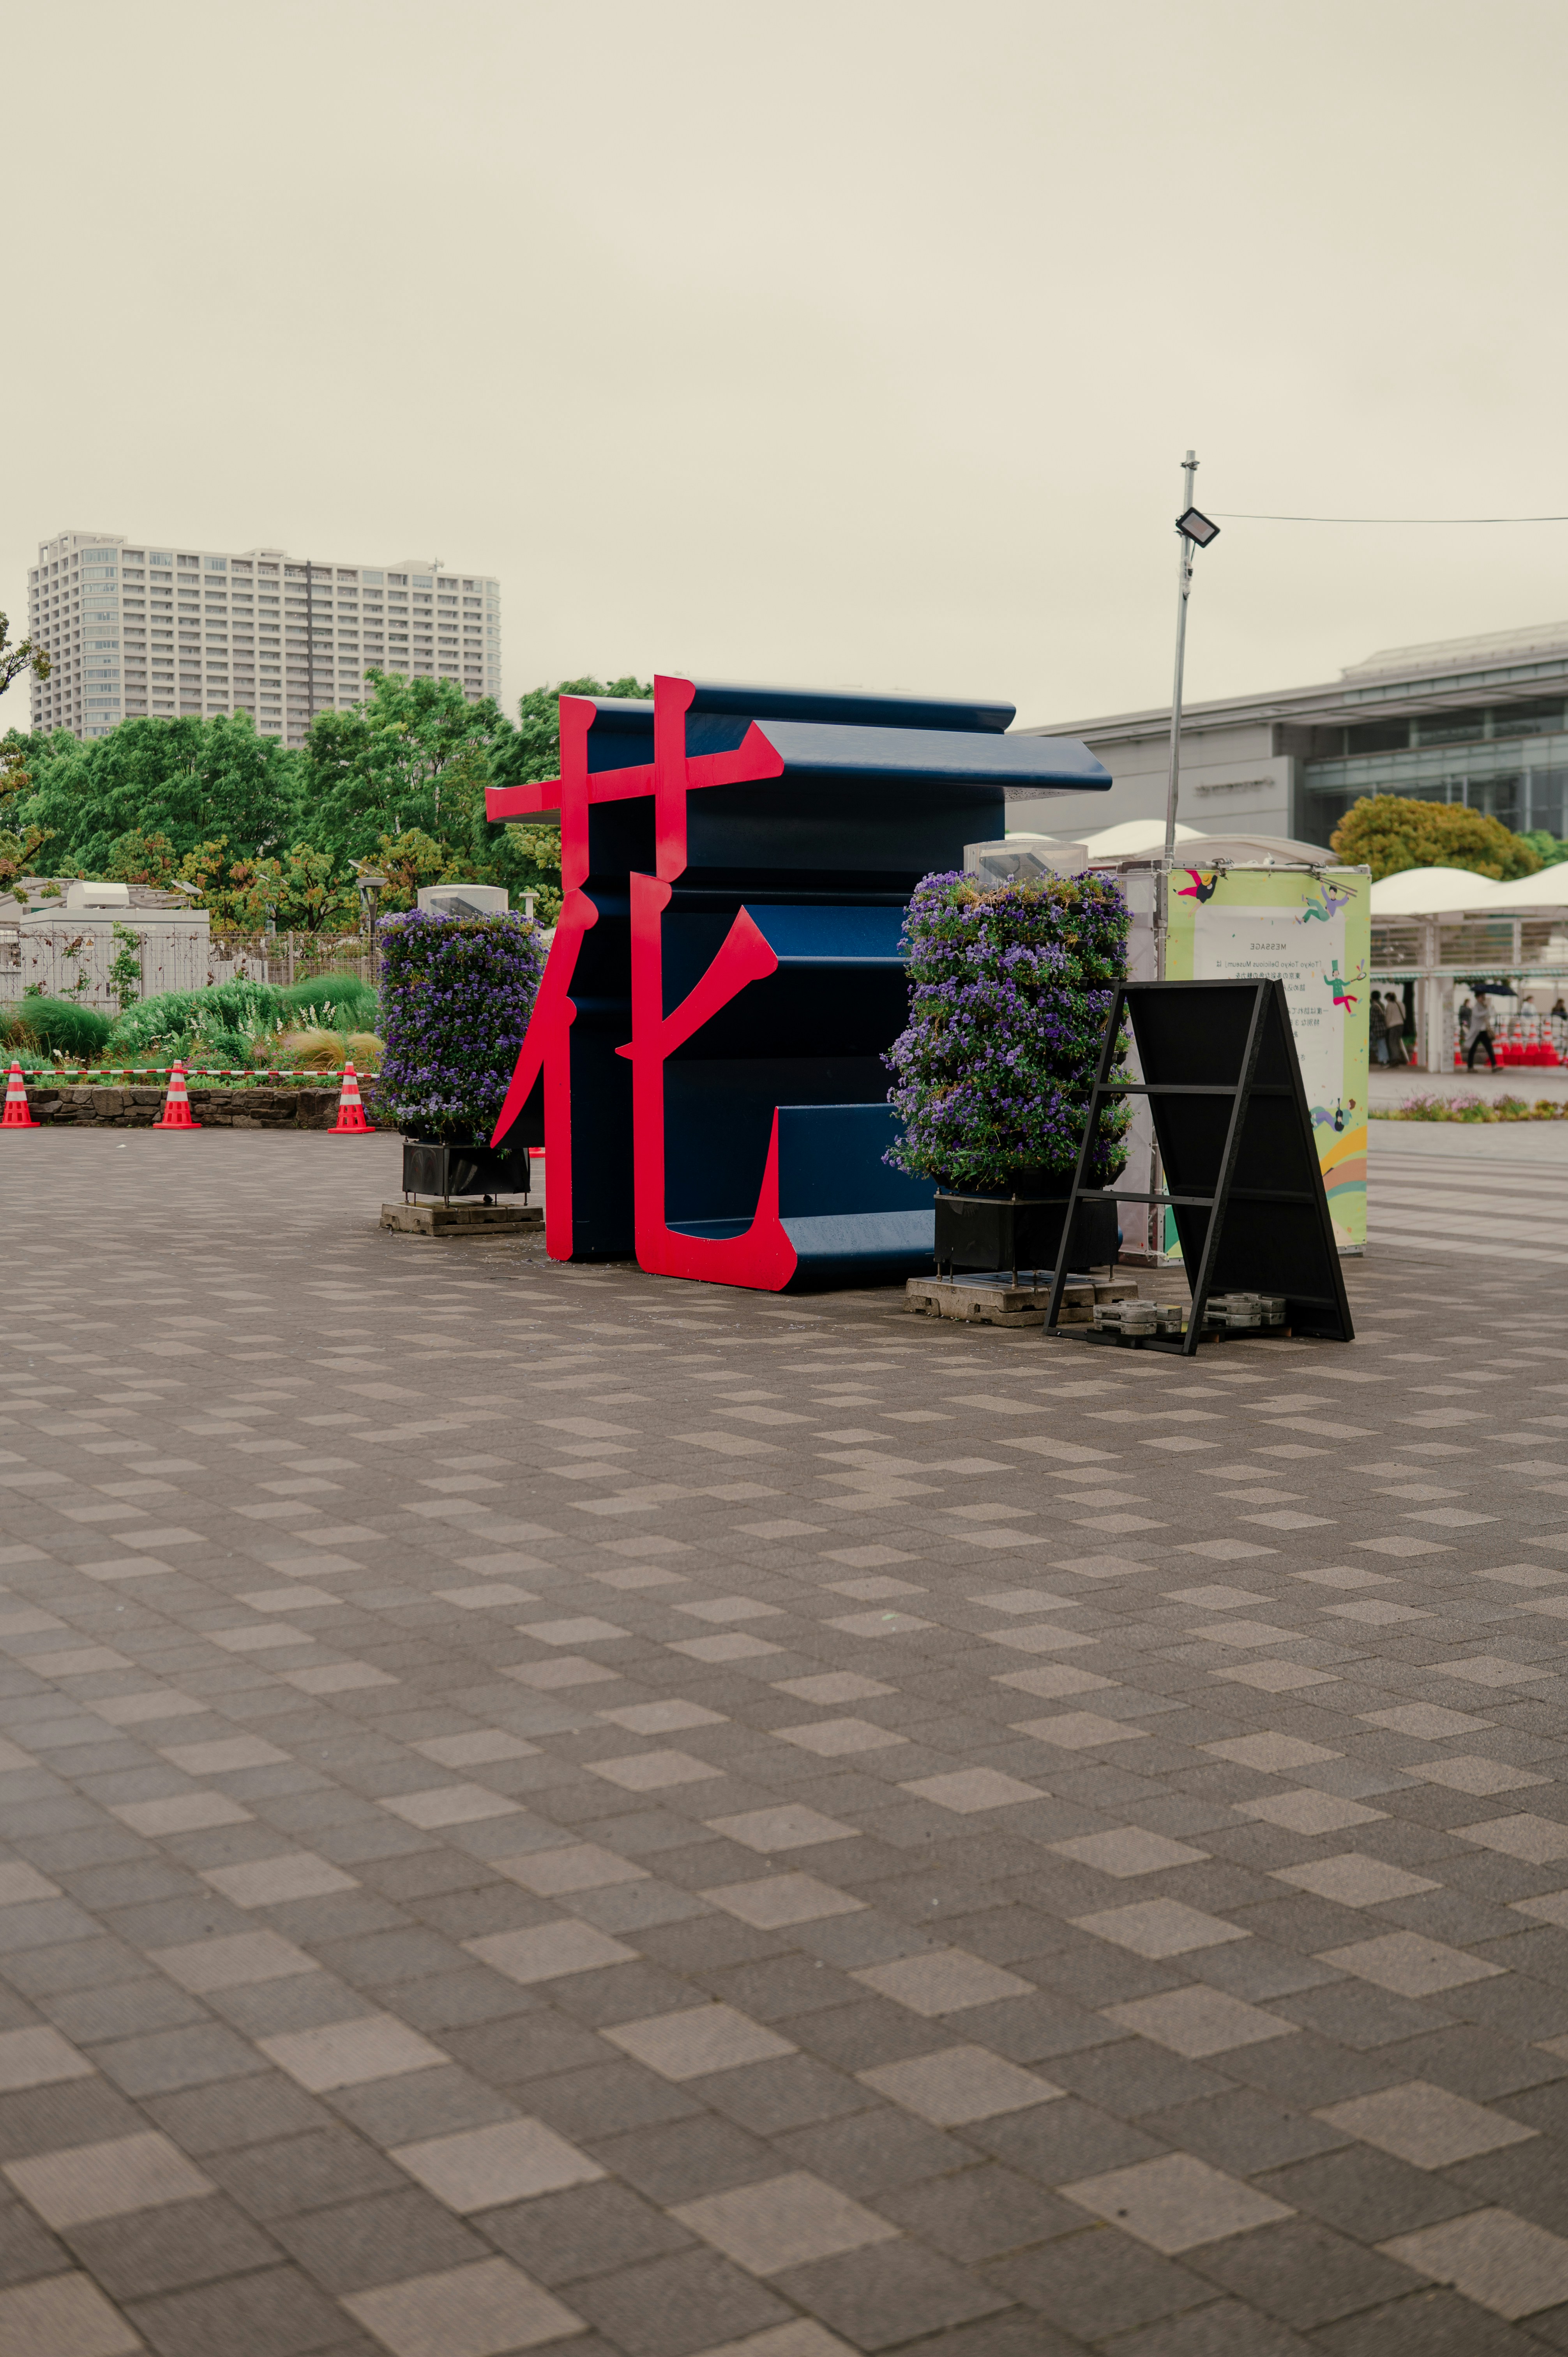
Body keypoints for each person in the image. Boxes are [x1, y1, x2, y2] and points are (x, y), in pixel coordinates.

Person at [1464, 992, 1498, 1071]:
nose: (1482, 999)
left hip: (1483, 1031)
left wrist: (1490, 1008)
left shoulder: (1484, 1006)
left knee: (1489, 1048)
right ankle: (1470, 1067)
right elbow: (1478, 1015)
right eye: (1481, 997)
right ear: (1477, 998)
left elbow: (1490, 1015)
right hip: (1477, 1032)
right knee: (1473, 1049)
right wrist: (1487, 1011)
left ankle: (1494, 1066)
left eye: (1483, 997)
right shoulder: (1476, 1007)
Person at [1384, 993, 1408, 1066]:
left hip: (1392, 1026)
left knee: (1392, 1042)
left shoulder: (1390, 1006)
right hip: (1401, 1025)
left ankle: (1395, 1059)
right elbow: (1404, 1015)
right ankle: (1398, 1057)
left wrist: (1387, 1026)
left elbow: (1388, 1017)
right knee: (1397, 1041)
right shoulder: (1401, 1004)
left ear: (1388, 998)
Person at [1368, 991, 1388, 1065]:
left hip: (1376, 1029)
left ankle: (1381, 1059)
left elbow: (1372, 1019)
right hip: (1382, 1028)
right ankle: (1384, 1060)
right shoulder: (1382, 1005)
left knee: (1370, 1043)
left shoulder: (1374, 1006)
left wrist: (1370, 1028)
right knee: (1382, 1044)